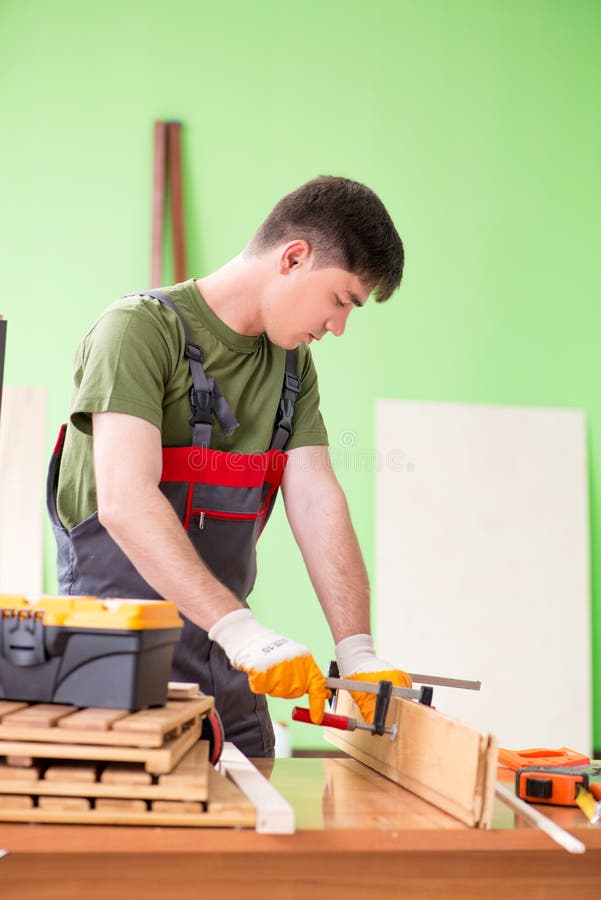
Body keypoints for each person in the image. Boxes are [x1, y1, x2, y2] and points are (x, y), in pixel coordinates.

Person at [48, 175, 411, 757]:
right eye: (341, 300)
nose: (338, 327)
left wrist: (358, 650)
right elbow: (125, 501)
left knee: (257, 836)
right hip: (114, 674)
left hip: (229, 671)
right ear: (294, 257)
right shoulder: (140, 330)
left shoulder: (292, 367)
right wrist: (241, 629)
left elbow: (317, 497)